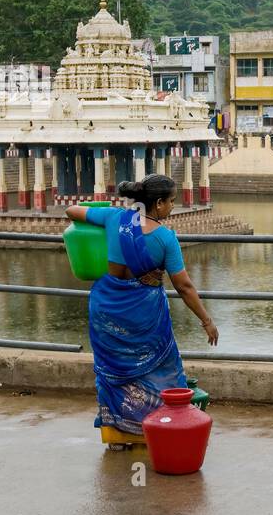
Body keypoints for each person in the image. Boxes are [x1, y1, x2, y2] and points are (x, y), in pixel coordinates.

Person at [64, 175, 218, 437]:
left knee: (113, 371)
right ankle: (158, 427)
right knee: (161, 365)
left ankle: (116, 432)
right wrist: (206, 320)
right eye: (171, 202)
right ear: (158, 203)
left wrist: (103, 212)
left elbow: (71, 211)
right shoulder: (165, 238)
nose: (172, 207)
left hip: (106, 306)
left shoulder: (114, 218)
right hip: (143, 313)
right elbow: (184, 287)